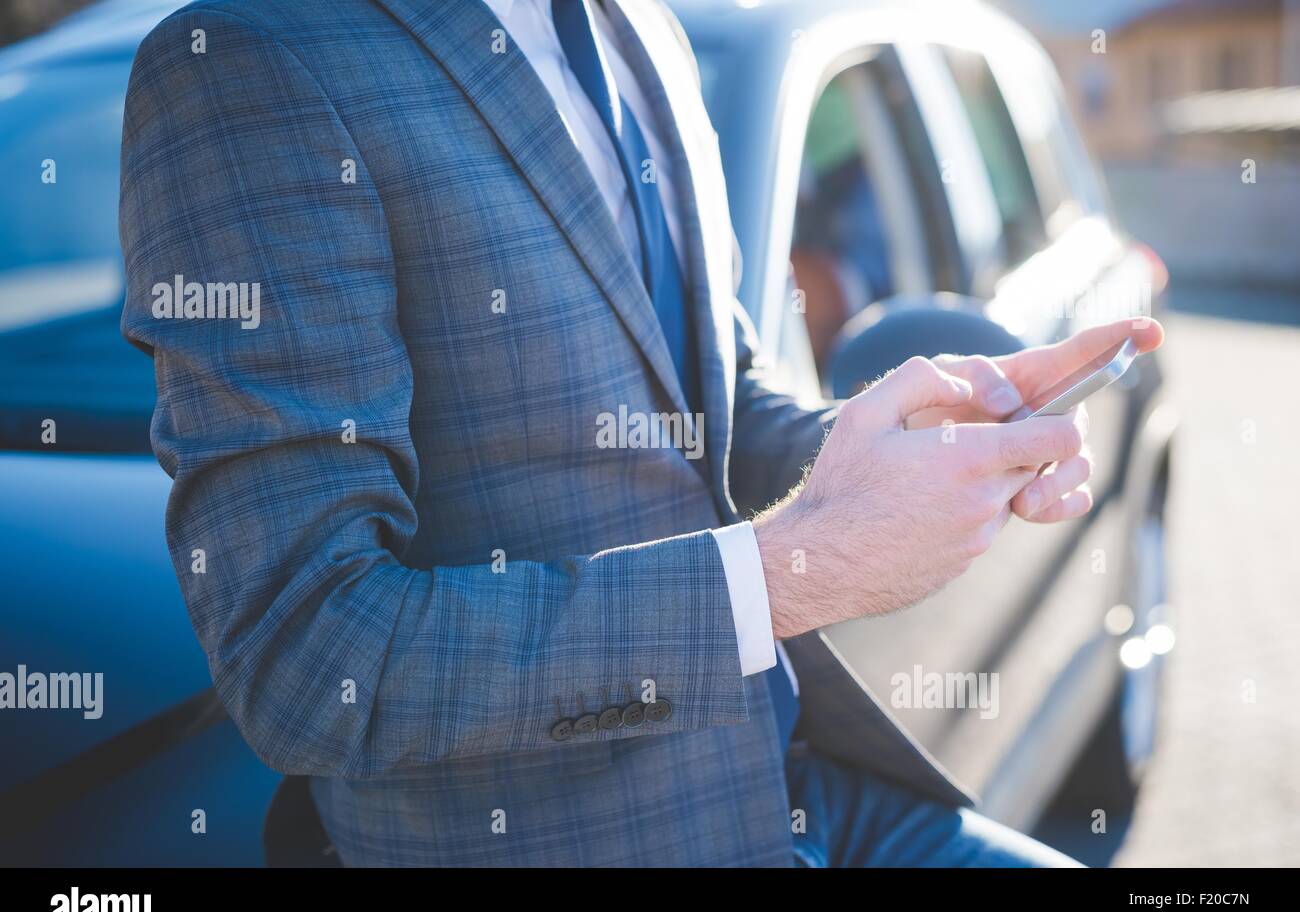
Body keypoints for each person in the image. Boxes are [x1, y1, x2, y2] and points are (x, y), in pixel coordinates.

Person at [119, 0, 1163, 867]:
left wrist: (888, 445)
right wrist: (797, 571)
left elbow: (704, 402)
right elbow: (307, 658)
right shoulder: (252, 61)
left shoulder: (639, 29)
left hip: (809, 796)